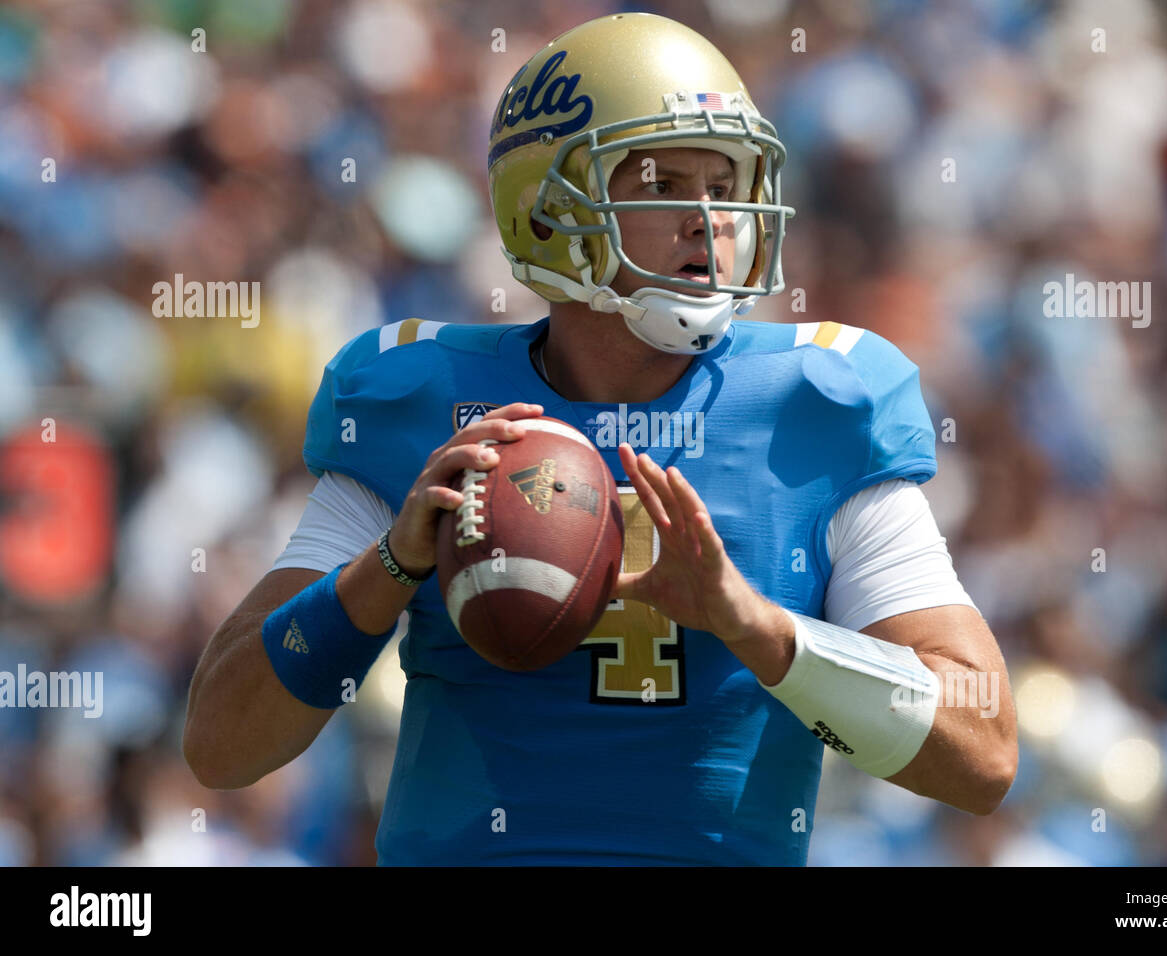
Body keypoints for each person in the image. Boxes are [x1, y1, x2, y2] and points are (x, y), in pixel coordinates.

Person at [183, 11, 1017, 865]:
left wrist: (758, 627)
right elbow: (220, 741)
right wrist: (389, 568)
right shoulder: (422, 405)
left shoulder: (814, 406)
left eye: (726, 184)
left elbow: (983, 751)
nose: (708, 218)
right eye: (661, 182)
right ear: (546, 209)